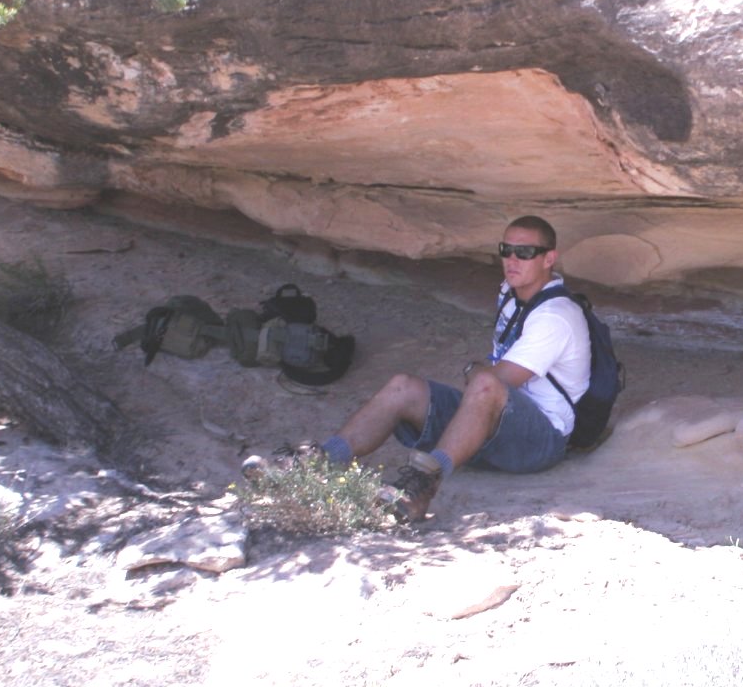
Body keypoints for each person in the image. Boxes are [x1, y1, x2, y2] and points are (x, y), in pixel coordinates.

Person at [247, 215, 590, 524]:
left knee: (485, 384)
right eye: (506, 249)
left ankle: (420, 487)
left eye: (525, 252)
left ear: (548, 258)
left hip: (539, 441)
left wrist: (476, 371)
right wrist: (478, 375)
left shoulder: (555, 315)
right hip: (497, 423)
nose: (512, 260)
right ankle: (316, 463)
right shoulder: (512, 294)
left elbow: (496, 380)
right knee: (403, 387)